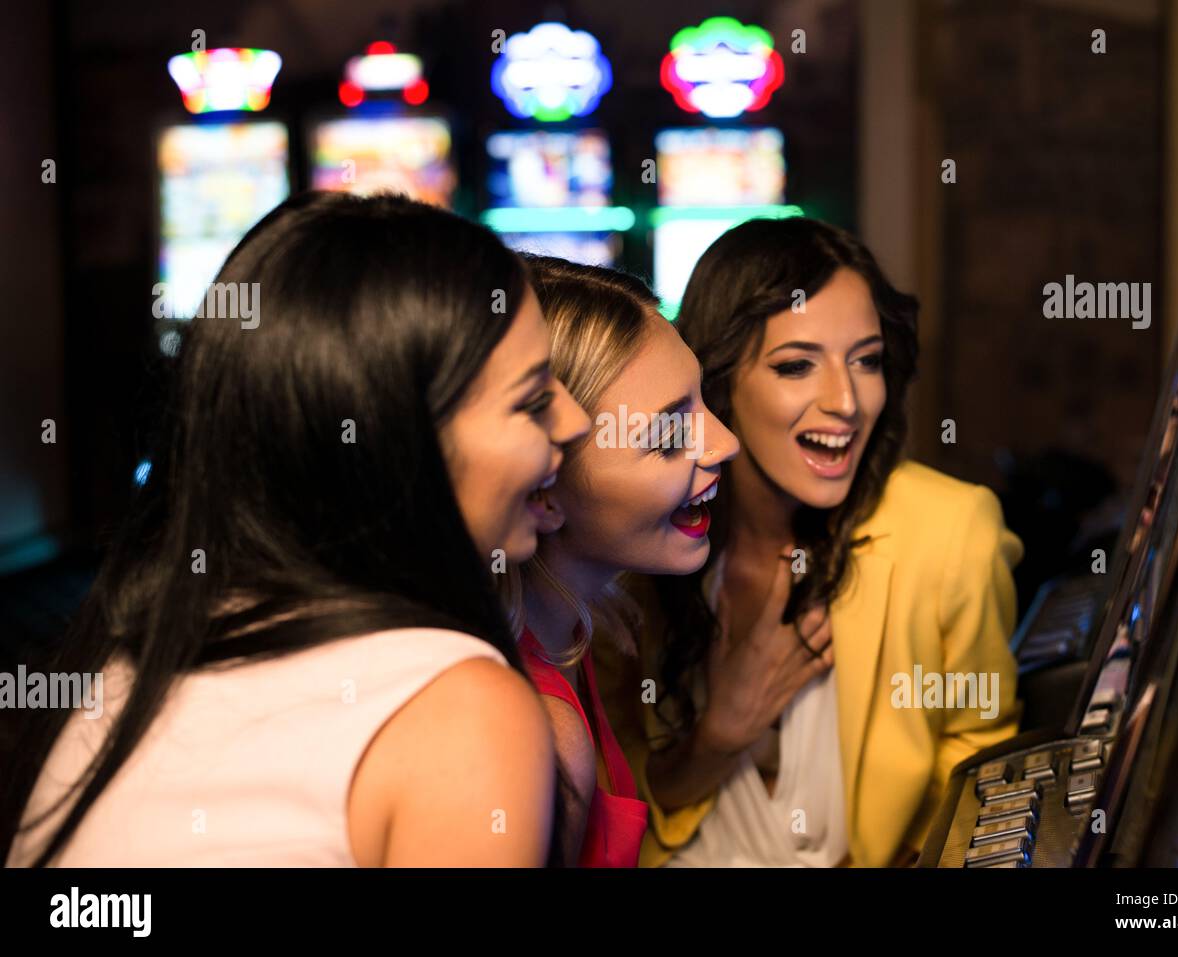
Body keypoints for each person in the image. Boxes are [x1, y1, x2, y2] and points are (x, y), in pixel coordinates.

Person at [2, 192, 590, 867]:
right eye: (532, 399)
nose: (575, 423)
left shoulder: (141, 653)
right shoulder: (462, 709)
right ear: (393, 444)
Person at [596, 217, 1023, 867]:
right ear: (718, 380)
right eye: (797, 365)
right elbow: (620, 800)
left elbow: (980, 752)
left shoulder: (951, 529)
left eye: (867, 360)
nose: (846, 401)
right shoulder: (640, 546)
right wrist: (719, 734)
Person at [502, 258, 739, 865]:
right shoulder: (537, 733)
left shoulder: (568, 636)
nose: (725, 443)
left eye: (702, 402)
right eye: (668, 436)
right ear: (543, 488)